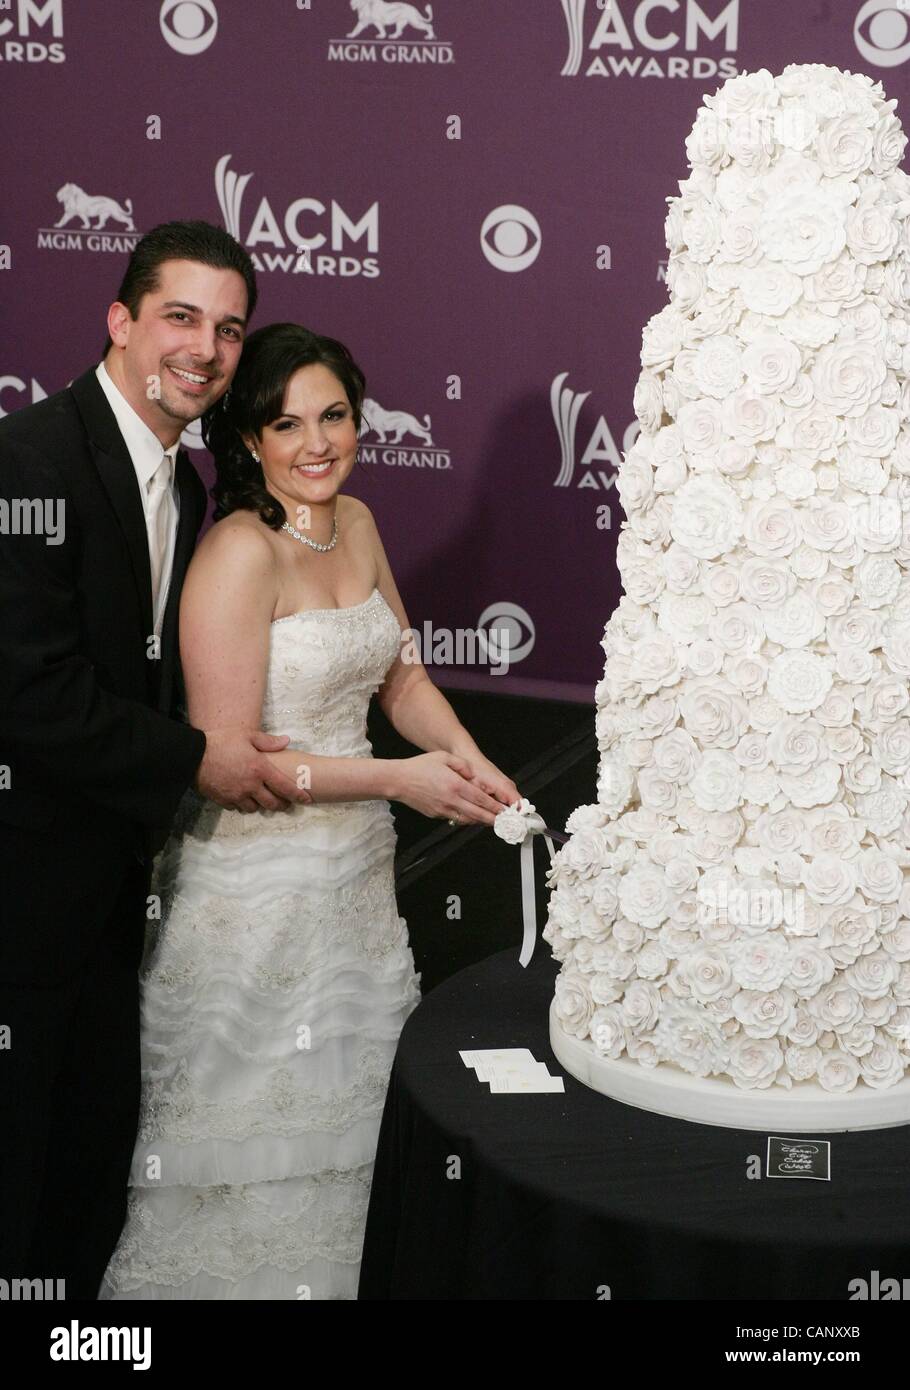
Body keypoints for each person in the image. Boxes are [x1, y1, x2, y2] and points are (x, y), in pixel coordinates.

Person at [100, 321, 521, 1299]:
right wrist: (399, 780)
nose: (318, 441)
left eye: (334, 414)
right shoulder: (239, 554)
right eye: (287, 423)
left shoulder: (359, 523)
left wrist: (468, 758)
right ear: (248, 439)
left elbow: (401, 678)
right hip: (256, 894)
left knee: (355, 1121)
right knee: (253, 1140)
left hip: (353, 889)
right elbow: (230, 761)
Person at [0, 224, 312, 1301]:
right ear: (121, 321)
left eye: (228, 328)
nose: (207, 348)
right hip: (19, 902)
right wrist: (197, 761)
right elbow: (28, 695)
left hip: (112, 905)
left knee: (82, 1186)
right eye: (181, 316)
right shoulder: (27, 459)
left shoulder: (187, 488)